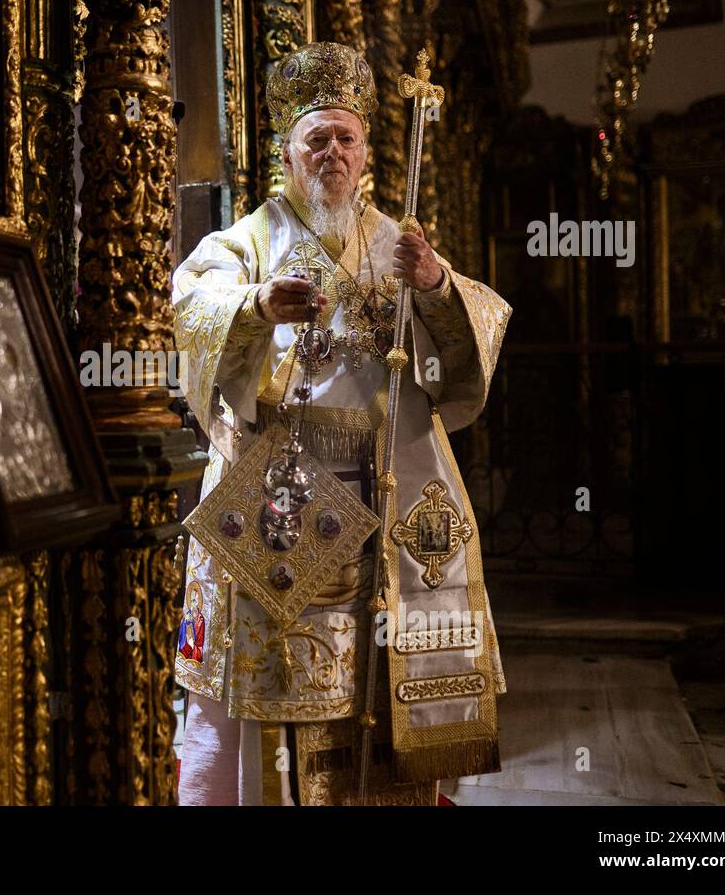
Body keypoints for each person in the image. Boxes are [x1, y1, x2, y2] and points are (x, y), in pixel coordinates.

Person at [172, 42, 512, 805]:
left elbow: (473, 332)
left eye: (345, 138)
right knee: (274, 702)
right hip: (286, 511)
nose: (331, 152)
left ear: (365, 155)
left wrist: (432, 286)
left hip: (388, 507)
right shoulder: (250, 240)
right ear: (287, 156)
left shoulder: (398, 241)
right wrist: (256, 307)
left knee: (378, 690)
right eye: (314, 139)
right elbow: (193, 301)